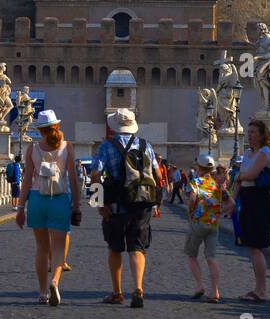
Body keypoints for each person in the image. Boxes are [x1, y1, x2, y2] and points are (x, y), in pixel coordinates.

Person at [89, 109, 161, 308]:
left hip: (116, 205)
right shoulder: (146, 146)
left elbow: (95, 175)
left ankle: (117, 292)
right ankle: (138, 288)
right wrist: (155, 202)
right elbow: (157, 175)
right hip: (142, 204)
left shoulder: (106, 146)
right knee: (137, 247)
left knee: (115, 248)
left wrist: (99, 203)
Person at [15, 109, 82, 305]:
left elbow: (26, 180)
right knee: (59, 248)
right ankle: (55, 281)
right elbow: (72, 178)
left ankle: (43, 292)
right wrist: (76, 205)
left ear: (40, 130)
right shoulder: (67, 147)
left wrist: (20, 208)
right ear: (57, 126)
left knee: (42, 249)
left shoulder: (32, 149)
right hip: (59, 199)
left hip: (37, 200)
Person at [232, 120, 270, 302]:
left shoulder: (265, 152)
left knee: (256, 246)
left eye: (253, 132)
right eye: (248, 132)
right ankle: (258, 289)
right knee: (251, 245)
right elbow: (241, 180)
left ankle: (261, 291)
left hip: (261, 200)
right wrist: (233, 200)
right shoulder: (247, 153)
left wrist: (239, 175)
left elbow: (249, 175)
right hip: (248, 199)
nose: (249, 135)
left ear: (261, 134)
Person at [184, 153, 232, 302]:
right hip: (213, 224)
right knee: (211, 258)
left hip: (198, 223)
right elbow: (232, 204)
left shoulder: (195, 182)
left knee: (192, 255)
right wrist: (218, 212)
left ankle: (199, 286)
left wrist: (191, 211)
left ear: (198, 167)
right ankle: (215, 291)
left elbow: (192, 199)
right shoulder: (217, 184)